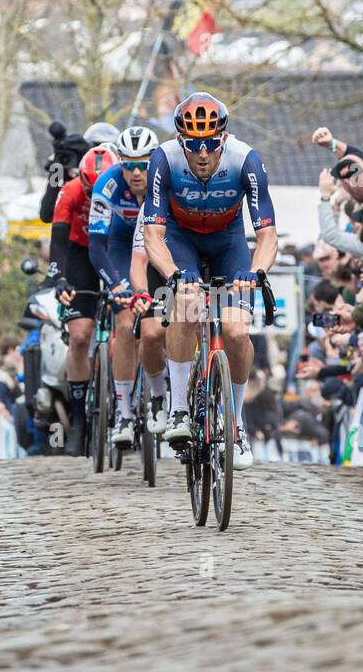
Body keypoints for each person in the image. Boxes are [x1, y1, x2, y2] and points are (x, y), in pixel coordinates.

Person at [142, 92, 277, 469]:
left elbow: (267, 234)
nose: (203, 154)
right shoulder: (163, 159)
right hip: (181, 241)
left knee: (236, 333)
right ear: (180, 142)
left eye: (211, 144)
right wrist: (172, 276)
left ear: (224, 139)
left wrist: (257, 272)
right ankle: (179, 410)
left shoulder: (246, 160)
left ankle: (236, 424)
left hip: (228, 243)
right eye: (194, 145)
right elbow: (153, 234)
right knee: (185, 305)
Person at [87, 125, 163, 444]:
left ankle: (160, 396)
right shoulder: (107, 184)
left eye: (142, 165)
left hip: (156, 245)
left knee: (157, 329)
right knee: (124, 319)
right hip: (119, 246)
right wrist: (117, 285)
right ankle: (124, 413)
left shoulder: (165, 182)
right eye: (128, 164)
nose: (135, 172)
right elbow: (96, 245)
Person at [50, 143, 118, 455]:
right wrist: (59, 278)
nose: (95, 197)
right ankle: (78, 420)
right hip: (80, 253)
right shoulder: (71, 191)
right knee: (79, 337)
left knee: (132, 332)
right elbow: (59, 243)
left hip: (116, 250)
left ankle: (129, 406)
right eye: (91, 189)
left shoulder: (130, 187)